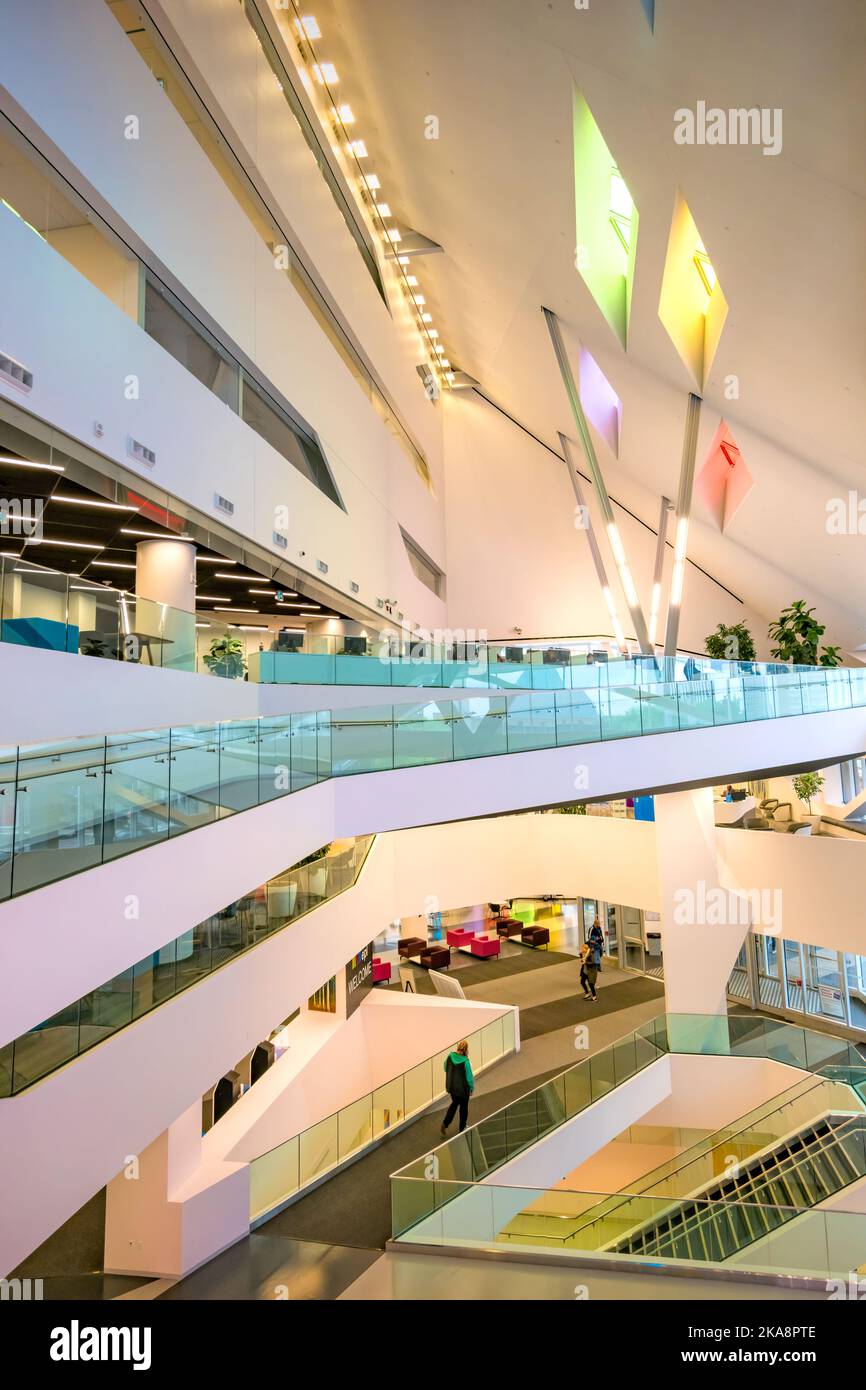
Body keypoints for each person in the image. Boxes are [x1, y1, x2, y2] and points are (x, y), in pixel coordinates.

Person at [440, 1040, 475, 1134]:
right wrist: (471, 1088)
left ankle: (445, 1123)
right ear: (466, 1050)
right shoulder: (466, 1062)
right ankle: (462, 1128)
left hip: (452, 1088)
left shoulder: (450, 1056)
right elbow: (469, 1078)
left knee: (454, 1105)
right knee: (463, 1108)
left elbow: (445, 1067)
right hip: (463, 1090)